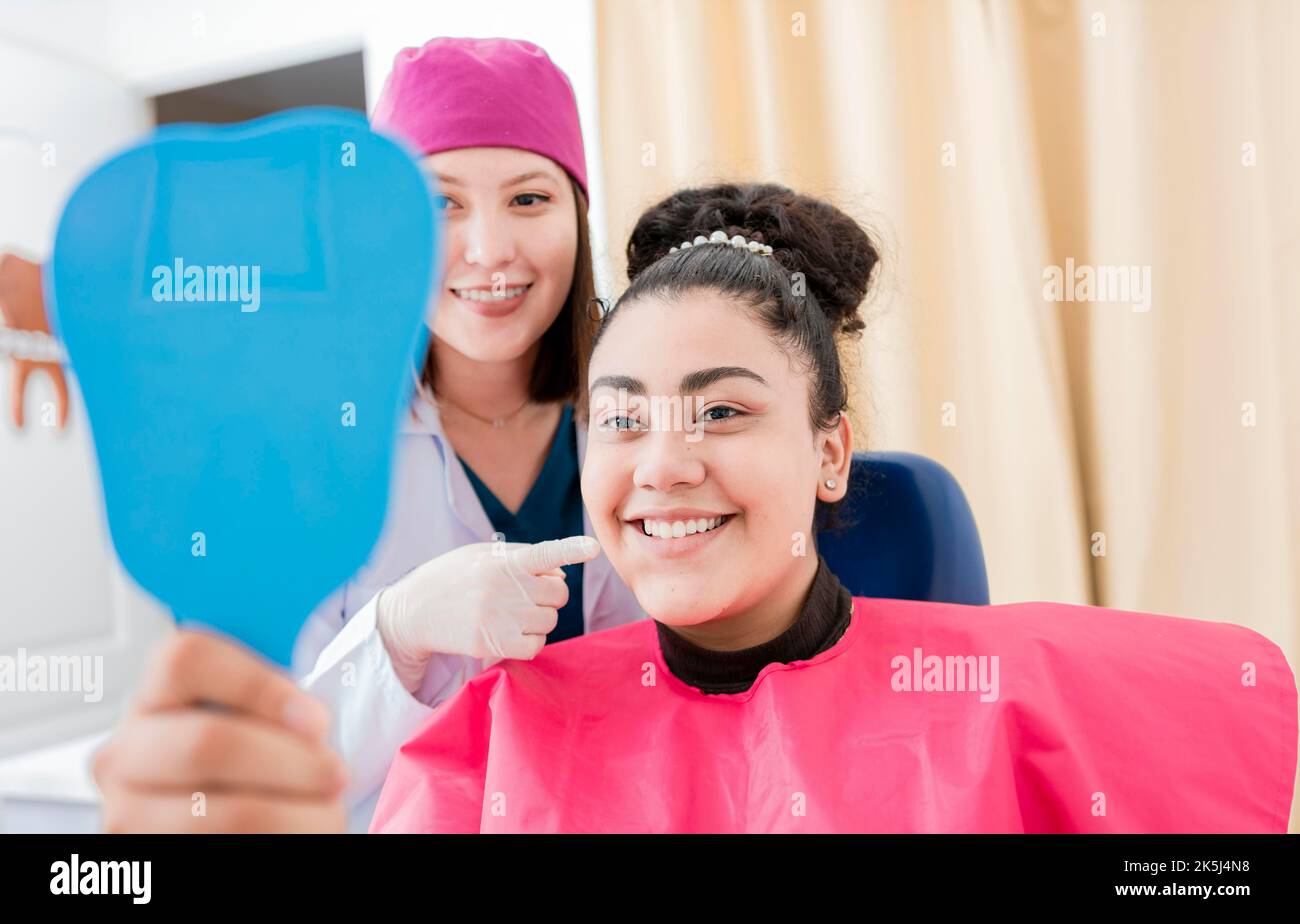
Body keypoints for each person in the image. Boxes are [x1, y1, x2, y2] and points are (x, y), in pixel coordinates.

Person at [368, 183, 1299, 833]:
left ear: (829, 452)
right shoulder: (501, 736)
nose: (663, 465)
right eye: (622, 419)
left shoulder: (1017, 698)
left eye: (723, 411)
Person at [89, 37, 642, 833]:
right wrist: (400, 629)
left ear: (577, 216)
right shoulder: (303, 448)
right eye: (439, 203)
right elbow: (267, 760)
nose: (489, 250)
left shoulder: (637, 413)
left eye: (528, 199)